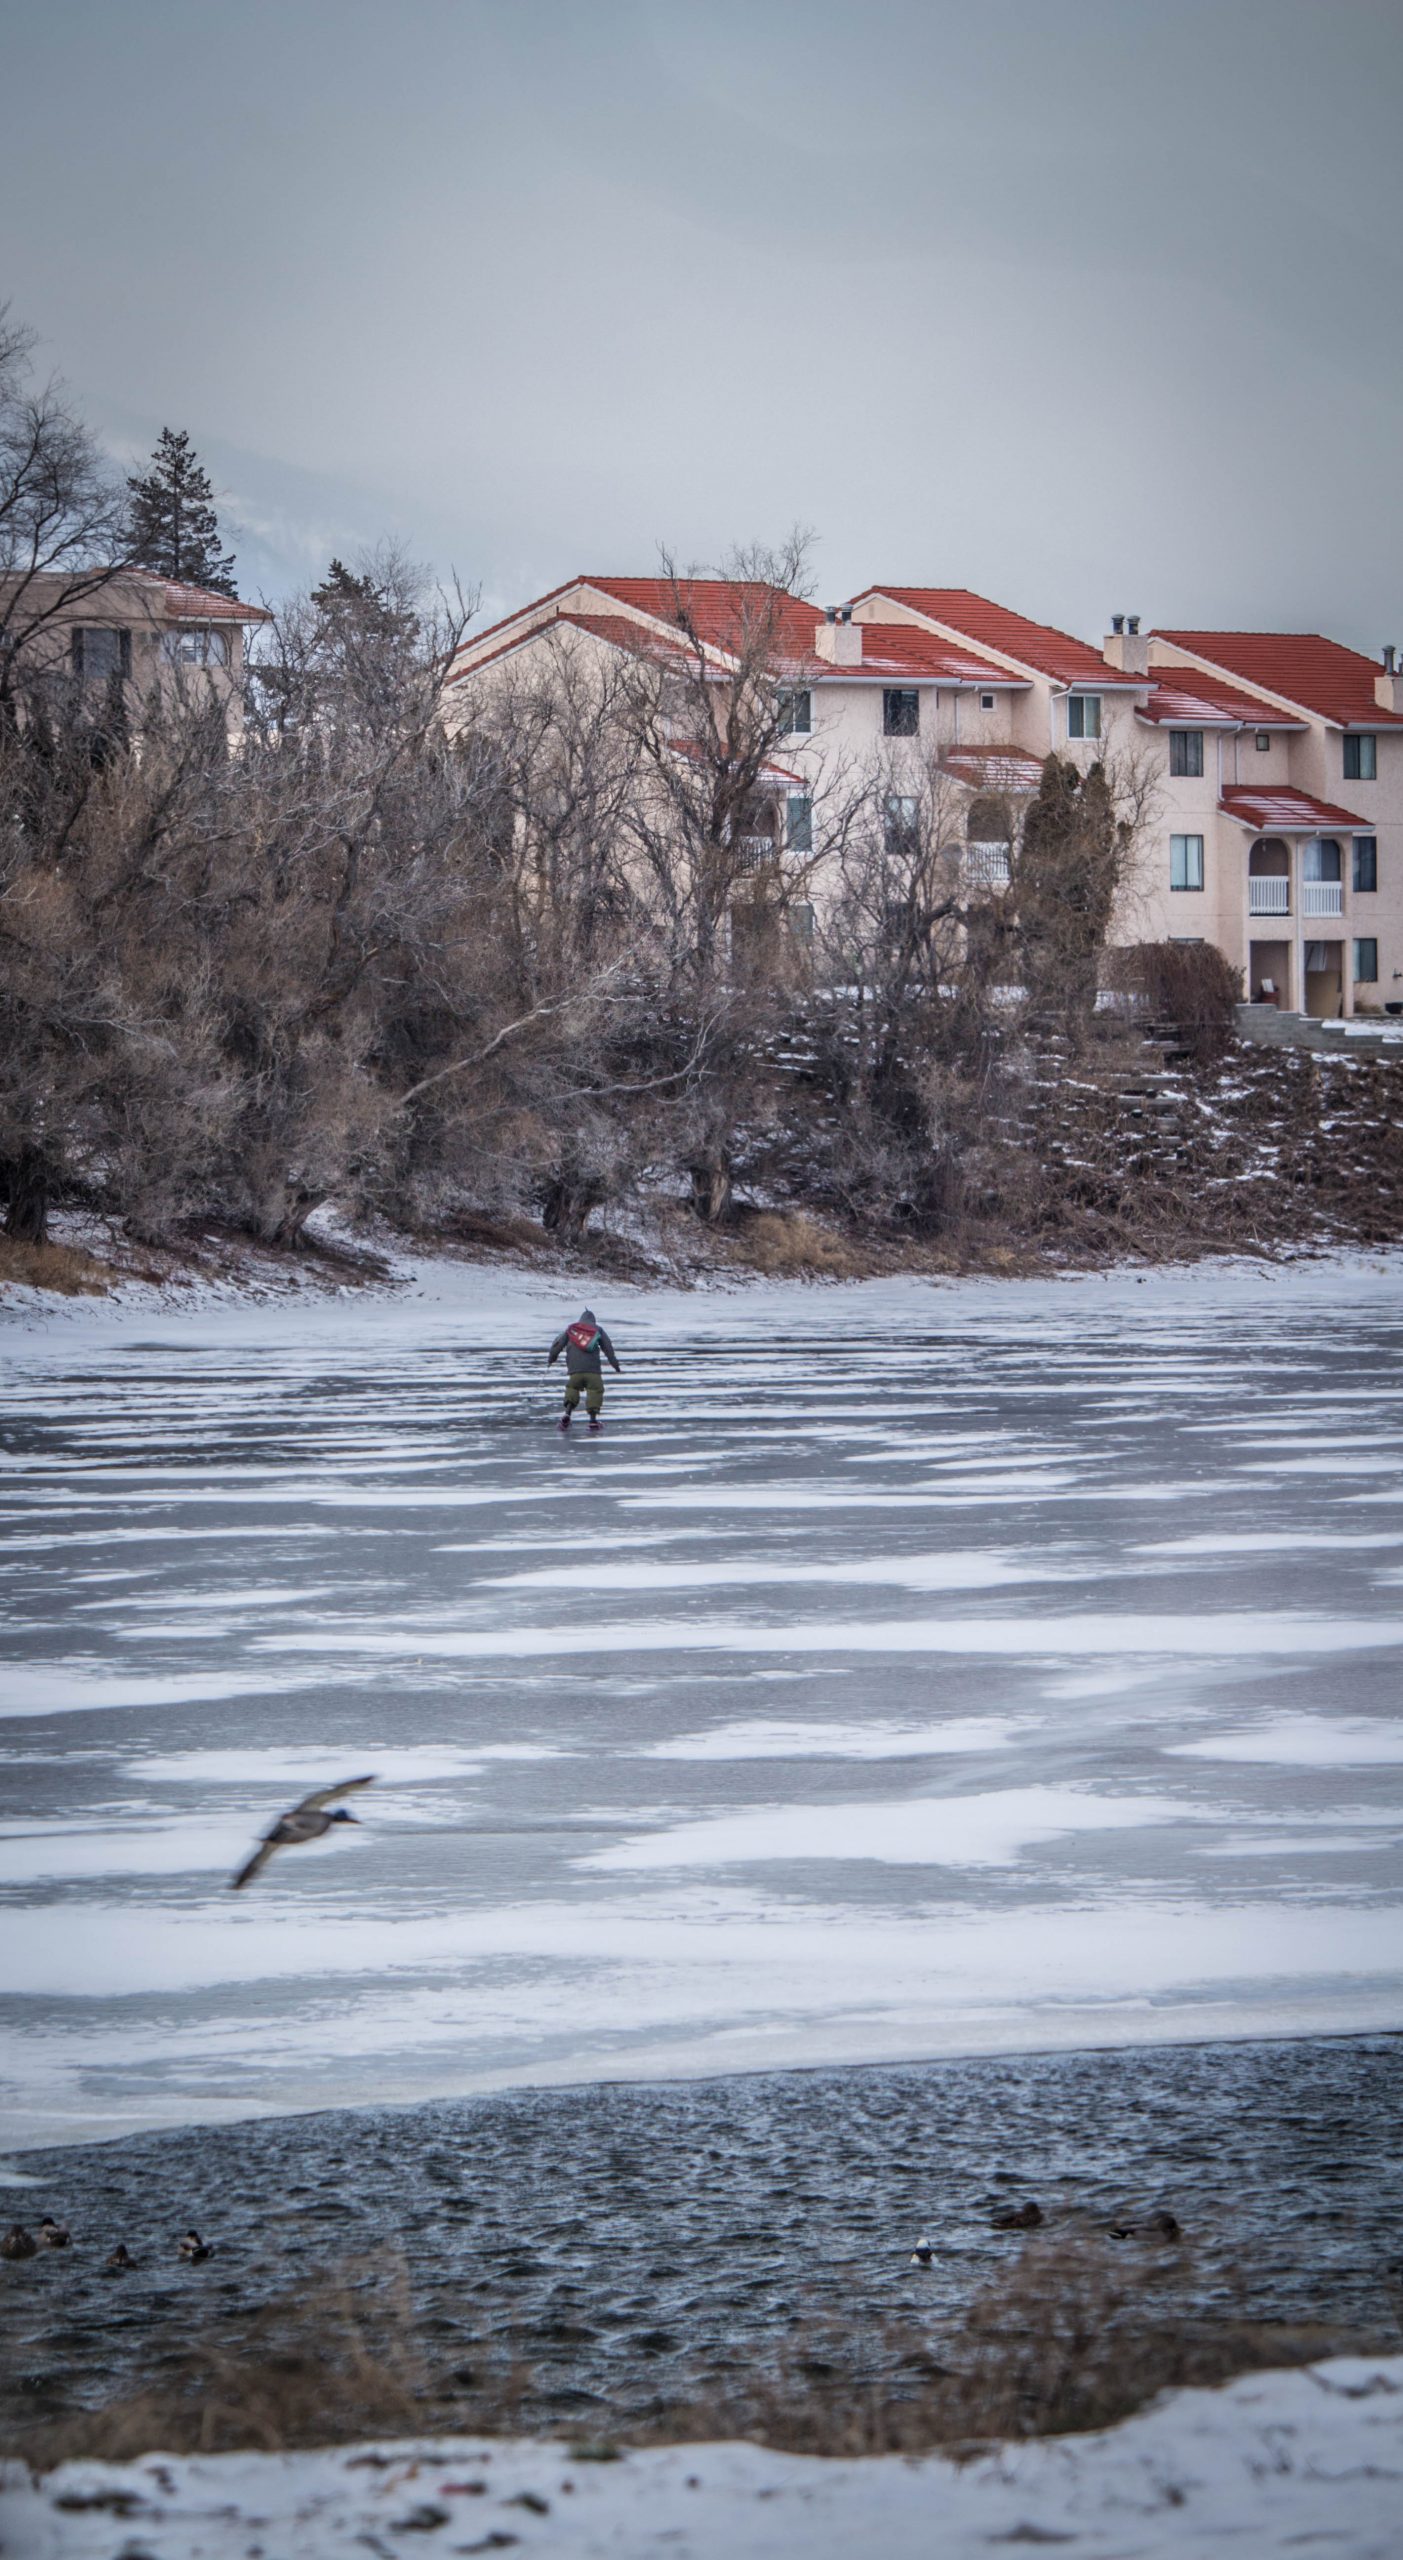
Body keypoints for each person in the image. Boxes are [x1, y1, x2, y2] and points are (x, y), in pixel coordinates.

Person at [547, 1307, 621, 1432]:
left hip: (575, 1370)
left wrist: (551, 1359)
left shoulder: (572, 1329)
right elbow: (608, 1348)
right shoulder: (598, 1330)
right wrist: (615, 1365)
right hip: (593, 1370)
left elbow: (557, 1345)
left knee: (572, 1388)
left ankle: (567, 1414)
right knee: (595, 1391)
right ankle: (593, 1421)